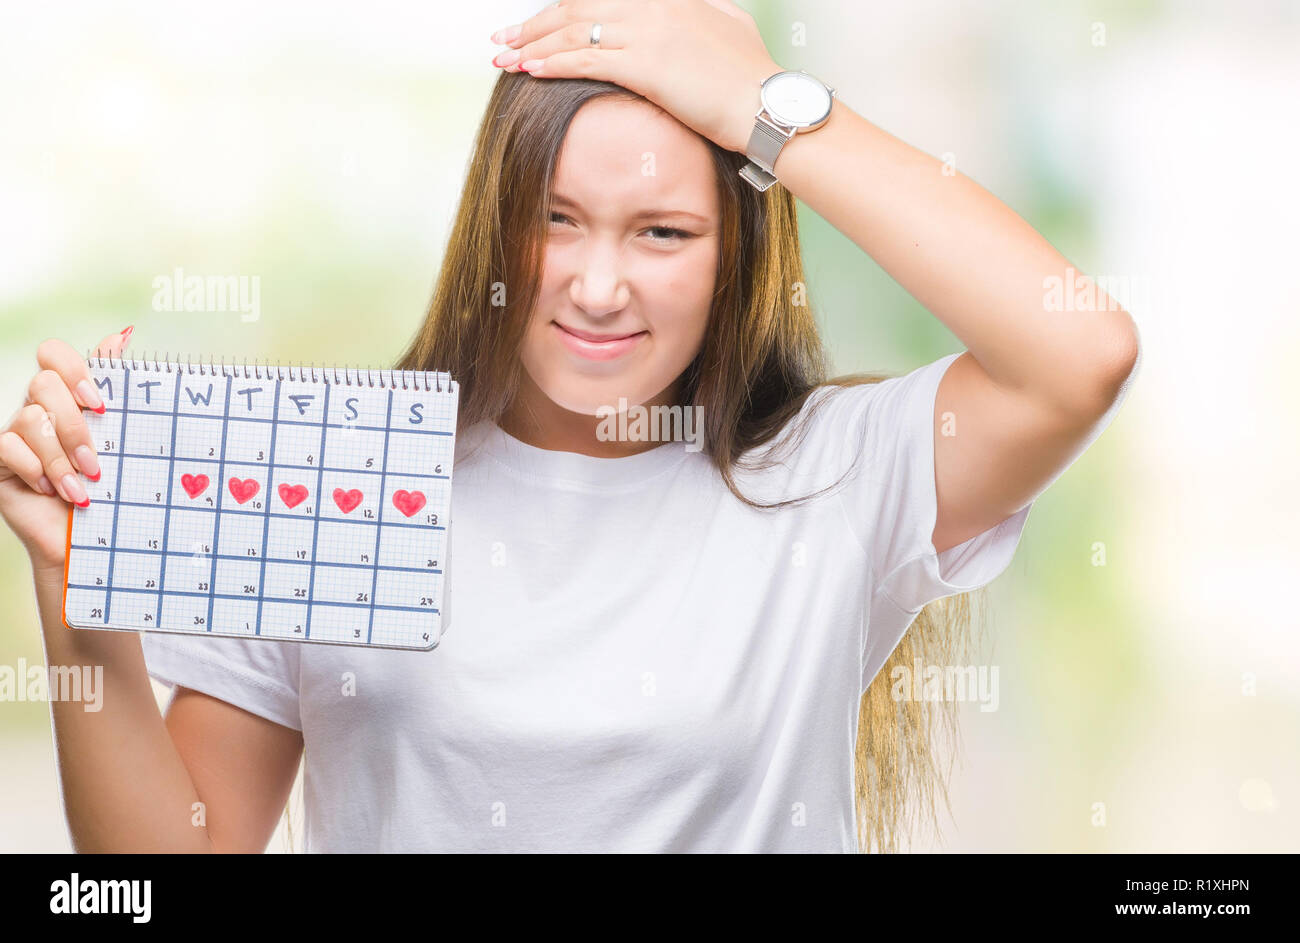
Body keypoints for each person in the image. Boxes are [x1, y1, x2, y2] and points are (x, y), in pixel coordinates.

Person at [0, 0, 1139, 853]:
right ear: (493, 227)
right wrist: (77, 598)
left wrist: (765, 102)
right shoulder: (335, 477)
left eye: (661, 233)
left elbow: (1078, 352)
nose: (598, 286)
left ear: (739, 253)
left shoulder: (837, 476)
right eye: (555, 220)